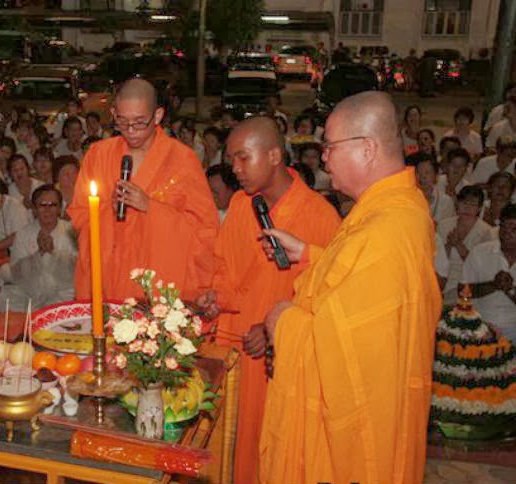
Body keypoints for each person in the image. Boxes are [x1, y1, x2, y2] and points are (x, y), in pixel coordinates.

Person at [259, 91, 442, 484]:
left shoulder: (389, 228)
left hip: (354, 450)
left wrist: (284, 324)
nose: (323, 158)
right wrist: (311, 255)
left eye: (329, 147)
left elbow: (350, 351)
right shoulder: (391, 208)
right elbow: (362, 279)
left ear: (367, 149)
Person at [197, 118, 341, 484]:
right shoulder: (243, 207)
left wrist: (274, 327)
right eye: (232, 161)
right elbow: (225, 269)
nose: (236, 170)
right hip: (231, 348)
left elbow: (329, 300)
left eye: (244, 159)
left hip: (278, 361)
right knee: (222, 447)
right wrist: (215, 298)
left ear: (275, 155)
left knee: (266, 451)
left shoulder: (320, 216)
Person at [68, 78, 219, 301]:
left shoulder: (182, 160)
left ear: (157, 116)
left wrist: (150, 208)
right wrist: (105, 210)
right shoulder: (98, 155)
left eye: (139, 122)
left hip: (156, 287)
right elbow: (79, 218)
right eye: (122, 121)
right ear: (113, 113)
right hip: (108, 282)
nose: (130, 131)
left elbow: (204, 231)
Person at [0, 185, 76, 311]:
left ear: (59, 209)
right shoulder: (23, 234)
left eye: (52, 205)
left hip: (64, 292)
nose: (47, 210)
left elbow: (80, 268)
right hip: (31, 293)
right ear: (34, 210)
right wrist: (39, 255)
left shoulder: (72, 231)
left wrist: (54, 254)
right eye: (42, 205)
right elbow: (17, 273)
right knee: (2, 295)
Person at [462, 203, 516, 343]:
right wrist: (493, 285)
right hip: (482, 323)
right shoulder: (480, 252)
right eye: (503, 227)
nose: (507, 233)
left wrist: (510, 289)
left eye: (514, 229)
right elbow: (462, 291)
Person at [438, 186, 496, 305]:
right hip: (444, 278)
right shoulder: (444, 225)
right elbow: (438, 261)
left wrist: (459, 245)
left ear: (479, 208)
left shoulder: (486, 231)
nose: (467, 208)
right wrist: (449, 245)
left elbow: (480, 268)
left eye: (473, 204)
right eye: (464, 203)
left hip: (468, 282)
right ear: (457, 204)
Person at [416, 157, 455, 222]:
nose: (423, 177)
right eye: (419, 173)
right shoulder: (408, 199)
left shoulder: (446, 202)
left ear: (436, 176)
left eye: (427, 173)